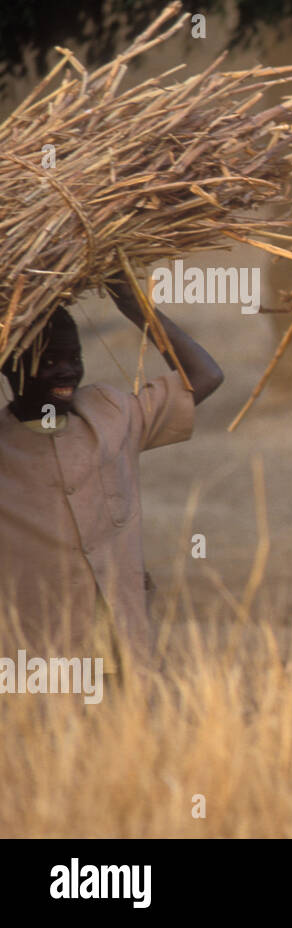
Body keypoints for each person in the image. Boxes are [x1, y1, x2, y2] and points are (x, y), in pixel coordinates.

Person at [0, 276, 223, 673]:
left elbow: (205, 376)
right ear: (10, 366)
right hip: (35, 665)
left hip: (123, 652)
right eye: (48, 362)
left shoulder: (111, 414)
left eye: (74, 358)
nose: (67, 372)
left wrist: (134, 303)